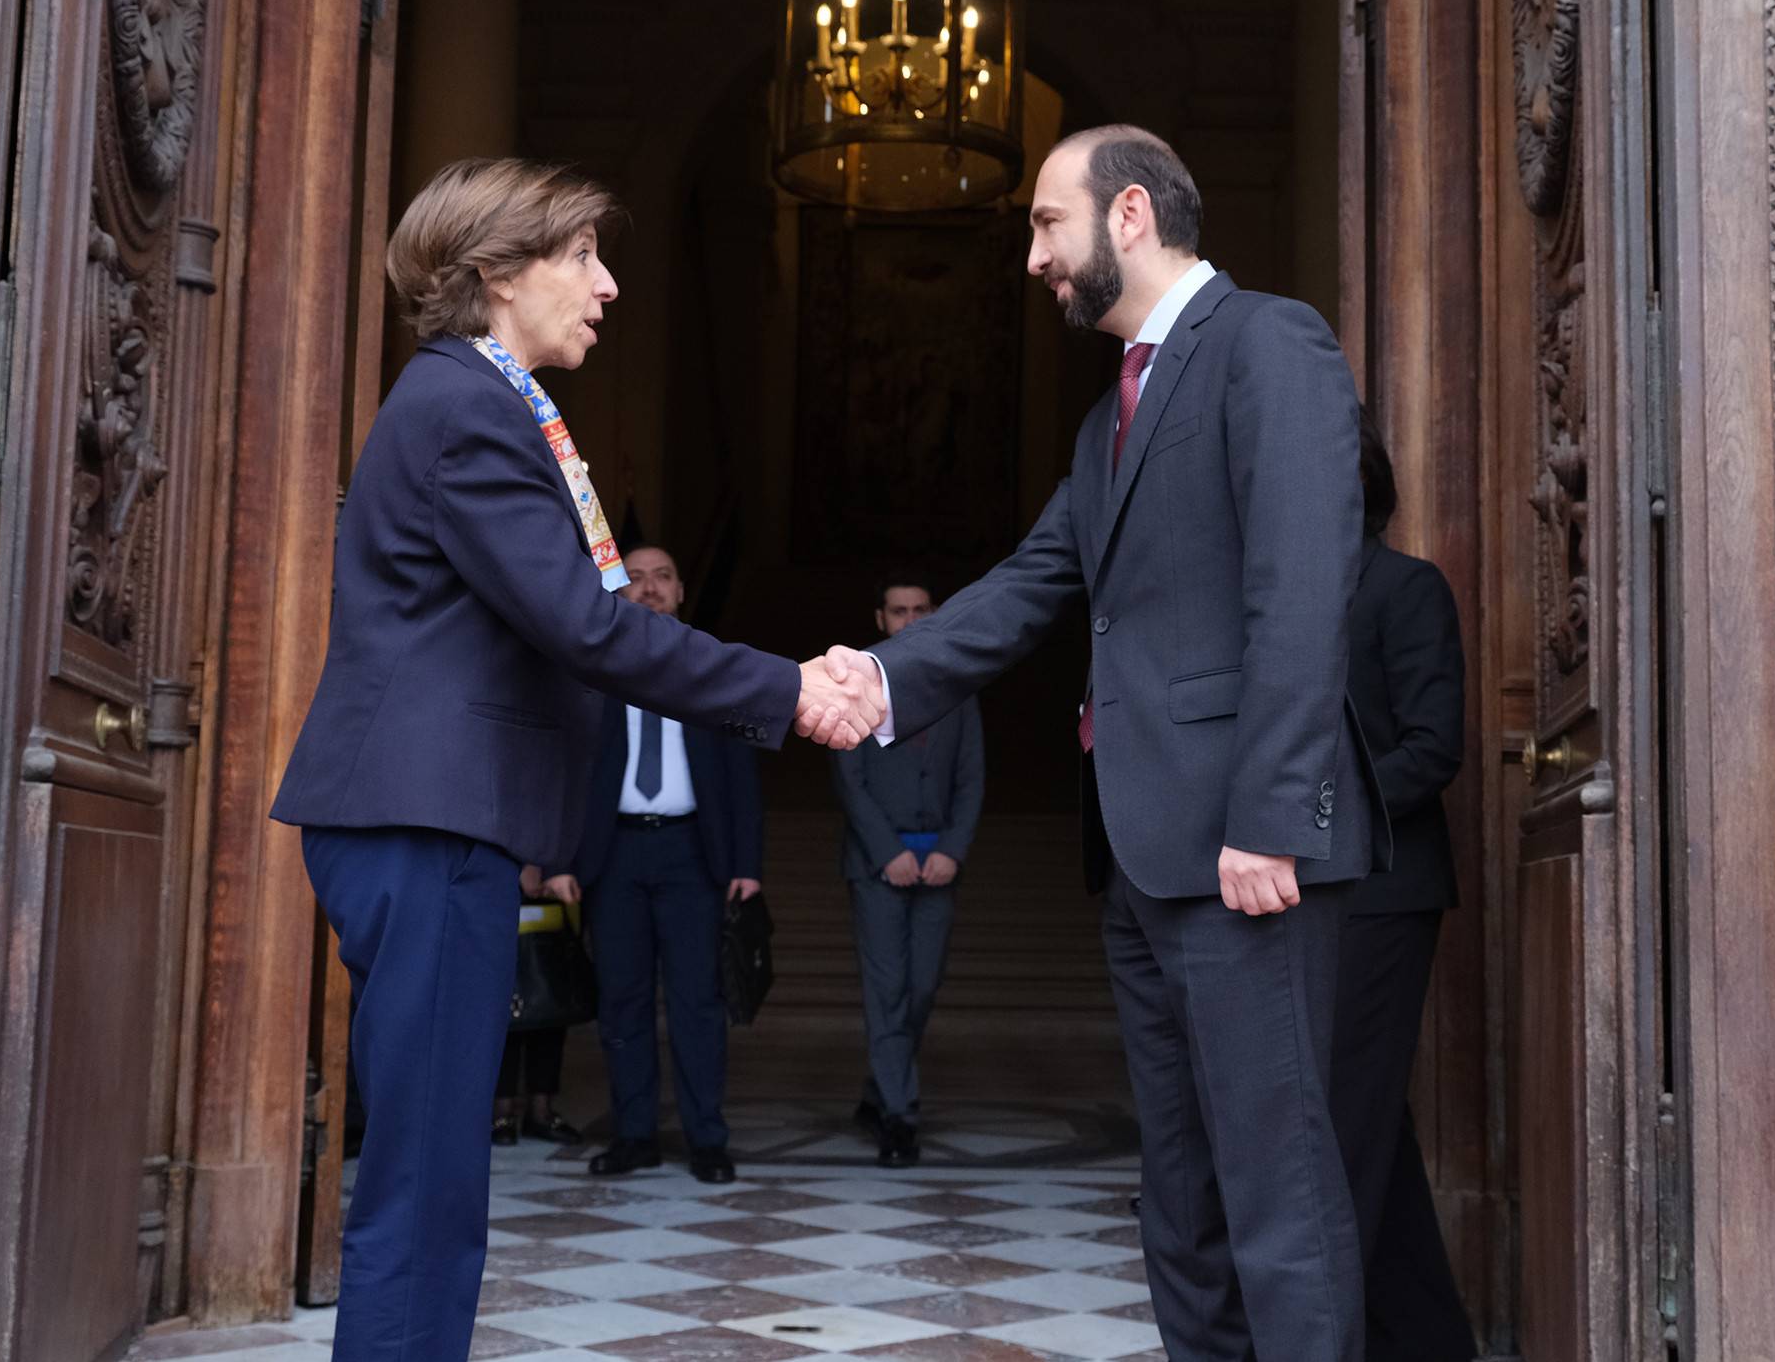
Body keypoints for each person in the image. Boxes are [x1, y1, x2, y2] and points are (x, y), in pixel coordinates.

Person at [268, 157, 885, 1362]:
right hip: (425, 821)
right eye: (584, 257)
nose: (607, 287)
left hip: (437, 819)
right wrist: (791, 690)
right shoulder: (466, 409)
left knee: (437, 1170)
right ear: (498, 273)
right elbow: (590, 627)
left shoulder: (482, 403)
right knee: (425, 1180)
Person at [825, 124, 1388, 1361]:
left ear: (1128, 213)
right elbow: (1029, 587)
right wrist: (875, 676)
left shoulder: (1269, 341)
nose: (1033, 257)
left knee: (1277, 1190)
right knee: (1178, 1197)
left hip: (1245, 855)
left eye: (1046, 224)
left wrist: (1270, 818)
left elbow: (1303, 589)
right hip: (1143, 859)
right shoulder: (1107, 421)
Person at [1331, 417, 1478, 1360]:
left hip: (1385, 895)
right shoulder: (1279, 597)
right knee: (1365, 1116)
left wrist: (1311, 817)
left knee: (1343, 1118)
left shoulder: (1407, 587)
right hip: (1310, 896)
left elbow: (1432, 748)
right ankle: (1428, 1342)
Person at [547, 546, 763, 1185]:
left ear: (682, 589)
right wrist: (558, 857)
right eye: (635, 578)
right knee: (622, 1001)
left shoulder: (711, 666)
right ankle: (634, 1135)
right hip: (613, 855)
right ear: (616, 591)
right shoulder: (590, 668)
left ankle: (707, 1140)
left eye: (662, 577)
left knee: (698, 1001)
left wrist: (747, 861)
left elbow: (741, 770)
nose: (649, 588)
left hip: (692, 853)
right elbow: (564, 768)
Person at [831, 576, 983, 1167]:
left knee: (920, 988)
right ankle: (899, 1116)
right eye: (899, 611)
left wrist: (954, 849)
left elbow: (971, 777)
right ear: (880, 618)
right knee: (887, 989)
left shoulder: (957, 688)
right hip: (878, 866)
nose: (911, 620)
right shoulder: (852, 687)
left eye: (921, 609)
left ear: (935, 612)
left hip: (940, 863)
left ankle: (880, 1089)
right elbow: (850, 782)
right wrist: (886, 851)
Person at [492, 865, 585, 1148]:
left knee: (549, 1000)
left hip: (551, 881)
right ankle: (501, 1113)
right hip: (500, 875)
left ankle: (541, 1111)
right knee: (502, 1006)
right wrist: (522, 866)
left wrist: (550, 866)